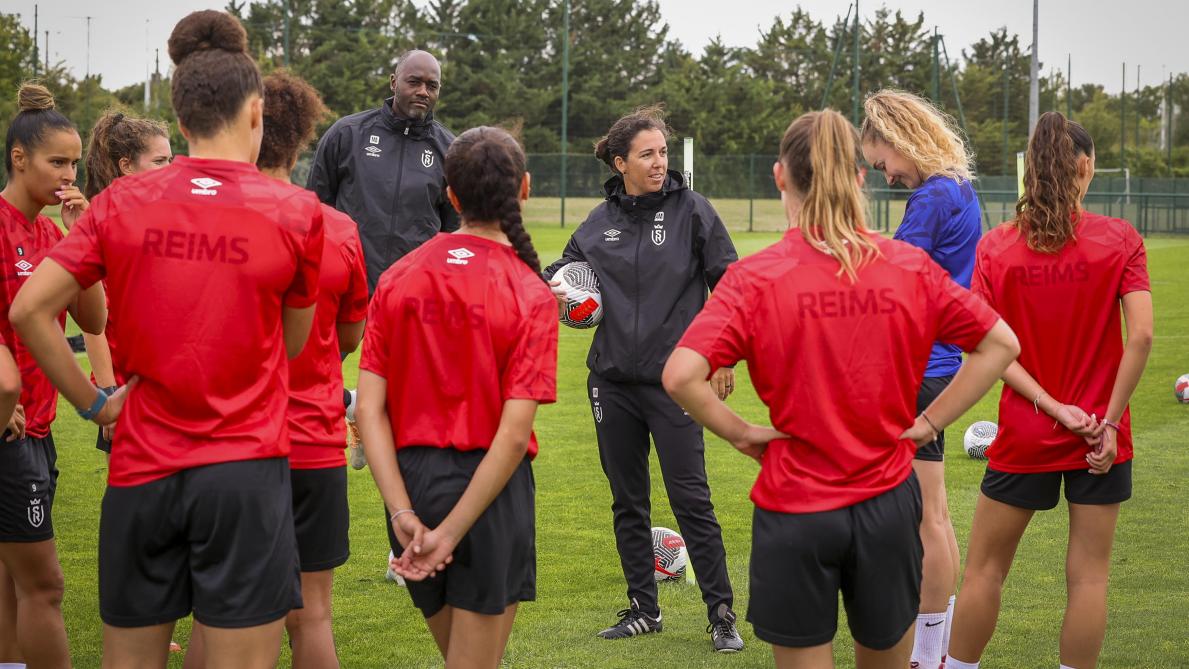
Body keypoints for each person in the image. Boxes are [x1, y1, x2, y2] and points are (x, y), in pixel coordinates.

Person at [9, 11, 324, 667]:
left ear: (179, 120)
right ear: (256, 113)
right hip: (245, 470)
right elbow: (292, 344)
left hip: (142, 466)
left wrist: (95, 404)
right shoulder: (296, 213)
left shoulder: (120, 201)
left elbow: (29, 311)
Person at [662, 108, 1020, 669]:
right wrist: (928, 424)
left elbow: (680, 375)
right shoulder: (907, 268)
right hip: (886, 504)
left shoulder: (754, 278)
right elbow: (1000, 344)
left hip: (794, 506)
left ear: (780, 176)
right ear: (857, 178)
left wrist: (742, 433)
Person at [945, 113, 1153, 669]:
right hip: (1101, 439)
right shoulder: (1121, 240)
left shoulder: (995, 249)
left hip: (1027, 432)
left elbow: (987, 350)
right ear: (1084, 168)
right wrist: (1106, 423)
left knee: (985, 570)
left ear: (1029, 172)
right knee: (1088, 577)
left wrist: (1051, 407)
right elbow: (1144, 337)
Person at [183, 70, 368, 669]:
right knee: (312, 614)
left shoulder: (211, 222)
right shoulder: (337, 229)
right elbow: (349, 333)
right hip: (314, 439)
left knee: (219, 609)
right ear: (304, 139)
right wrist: (312, 361)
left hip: (227, 440)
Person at [542, 105, 743, 652]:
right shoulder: (597, 222)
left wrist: (723, 356)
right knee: (628, 500)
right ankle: (642, 609)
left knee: (691, 498)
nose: (659, 164)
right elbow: (562, 271)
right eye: (647, 155)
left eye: (663, 153)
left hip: (676, 384)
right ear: (620, 162)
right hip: (610, 383)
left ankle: (721, 613)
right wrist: (561, 284)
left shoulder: (692, 212)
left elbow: (730, 286)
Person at [355, 125, 557, 668]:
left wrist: (402, 512)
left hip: (413, 487)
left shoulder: (398, 277)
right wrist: (450, 534)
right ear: (525, 189)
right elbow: (513, 436)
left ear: (450, 194)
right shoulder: (529, 292)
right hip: (490, 498)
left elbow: (367, 411)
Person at [860, 88, 982, 669]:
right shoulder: (958, 187)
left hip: (921, 367)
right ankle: (933, 647)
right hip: (939, 365)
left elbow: (897, 281)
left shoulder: (934, 196)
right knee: (933, 514)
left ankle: (929, 651)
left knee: (925, 515)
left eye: (885, 162)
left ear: (900, 136)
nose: (886, 175)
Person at [307, 48, 456, 471]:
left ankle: (377, 444)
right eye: (415, 81)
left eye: (433, 85)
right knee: (308, 379)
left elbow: (453, 230)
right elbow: (317, 210)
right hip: (345, 287)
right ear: (394, 82)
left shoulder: (449, 150)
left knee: (415, 403)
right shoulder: (347, 135)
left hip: (412, 296)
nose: (423, 91)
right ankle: (346, 414)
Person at [0, 82, 107, 668]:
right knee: (45, 587)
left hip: (38, 427)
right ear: (20, 158)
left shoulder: (49, 234)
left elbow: (94, 317)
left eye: (73, 162)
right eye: (57, 161)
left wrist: (83, 239)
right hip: (9, 429)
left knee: (11, 581)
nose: (68, 175)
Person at [81, 110, 173, 455]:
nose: (170, 169)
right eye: (160, 161)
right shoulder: (105, 225)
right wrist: (107, 396)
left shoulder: (162, 222)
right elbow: (94, 326)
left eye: (171, 159)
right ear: (126, 166)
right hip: (125, 394)